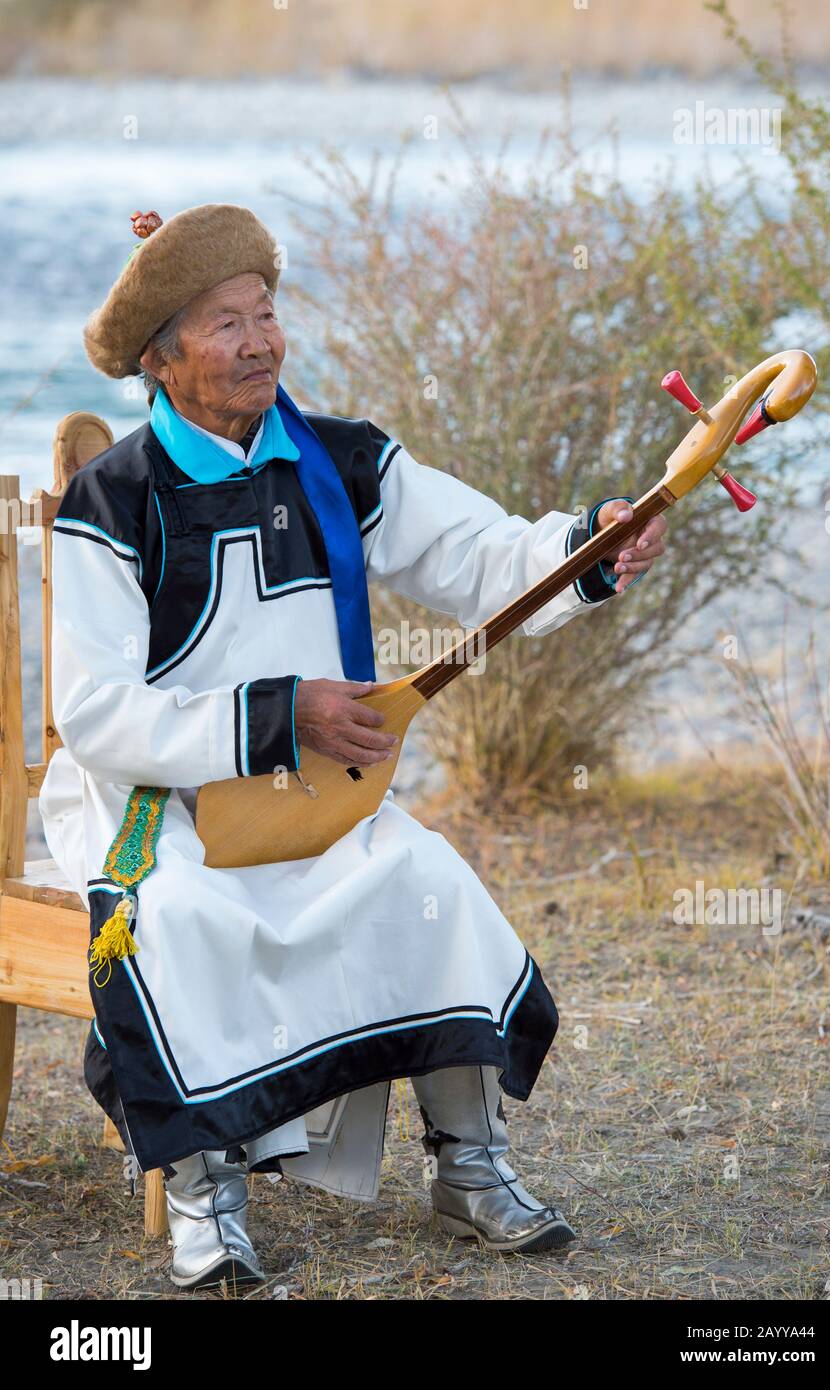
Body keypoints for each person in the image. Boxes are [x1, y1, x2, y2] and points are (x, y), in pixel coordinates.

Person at [40, 203, 667, 1289]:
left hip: (321, 800)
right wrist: (281, 714)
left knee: (427, 876)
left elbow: (477, 551)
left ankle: (471, 1169)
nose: (260, 341)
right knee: (172, 920)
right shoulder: (113, 500)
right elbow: (94, 711)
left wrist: (586, 546)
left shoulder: (342, 461)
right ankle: (206, 1199)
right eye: (225, 323)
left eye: (266, 312)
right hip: (159, 804)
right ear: (160, 357)